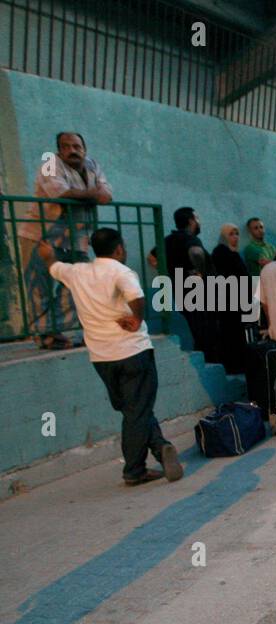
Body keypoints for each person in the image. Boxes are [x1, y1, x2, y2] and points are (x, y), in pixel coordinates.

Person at [39, 228, 183, 486]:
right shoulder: (121, 271)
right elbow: (137, 297)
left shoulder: (77, 272)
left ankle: (161, 449)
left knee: (132, 409)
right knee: (136, 411)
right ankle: (135, 470)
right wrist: (137, 318)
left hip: (102, 358)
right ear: (118, 249)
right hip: (132, 351)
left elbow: (54, 267)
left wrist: (48, 255)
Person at [19, 131, 113, 350]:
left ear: (84, 149)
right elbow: (58, 193)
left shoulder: (92, 165)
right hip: (40, 235)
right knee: (38, 287)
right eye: (66, 146)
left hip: (76, 238)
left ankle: (52, 329)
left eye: (77, 146)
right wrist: (93, 194)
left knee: (77, 284)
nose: (72, 150)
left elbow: (107, 194)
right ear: (59, 150)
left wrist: (84, 194)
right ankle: (47, 336)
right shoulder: (50, 163)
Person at [164, 207, 214, 361]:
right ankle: (210, 361)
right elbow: (196, 252)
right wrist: (200, 272)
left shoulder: (168, 240)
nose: (199, 222)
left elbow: (152, 258)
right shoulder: (190, 238)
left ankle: (206, 358)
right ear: (191, 221)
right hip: (197, 291)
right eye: (197, 218)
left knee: (197, 328)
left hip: (180, 291)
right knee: (207, 331)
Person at [209, 223, 252, 373]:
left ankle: (238, 364)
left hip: (237, 301)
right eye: (231, 234)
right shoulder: (221, 252)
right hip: (228, 302)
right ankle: (233, 365)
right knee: (230, 335)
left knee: (237, 334)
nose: (235, 237)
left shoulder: (233, 252)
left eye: (237, 233)